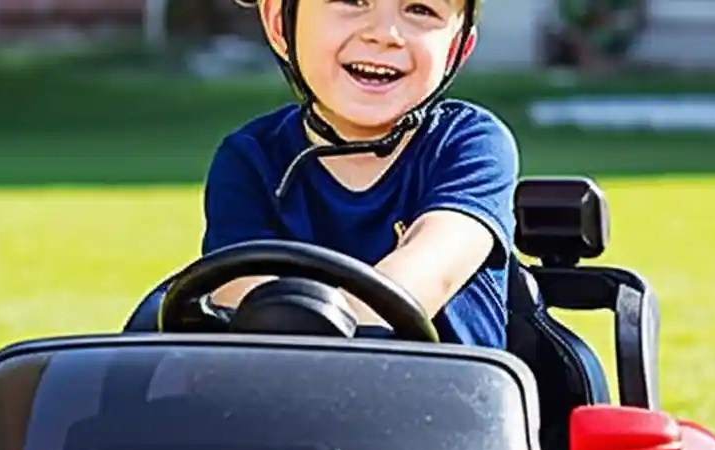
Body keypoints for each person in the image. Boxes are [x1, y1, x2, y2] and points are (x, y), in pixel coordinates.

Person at [199, 0, 520, 349]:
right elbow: (247, 305)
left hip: (446, 396)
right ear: (280, 23)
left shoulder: (469, 145)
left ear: (456, 48)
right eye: (352, 1)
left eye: (420, 9)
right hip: (283, 395)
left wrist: (319, 331)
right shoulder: (250, 159)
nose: (384, 35)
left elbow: (427, 276)